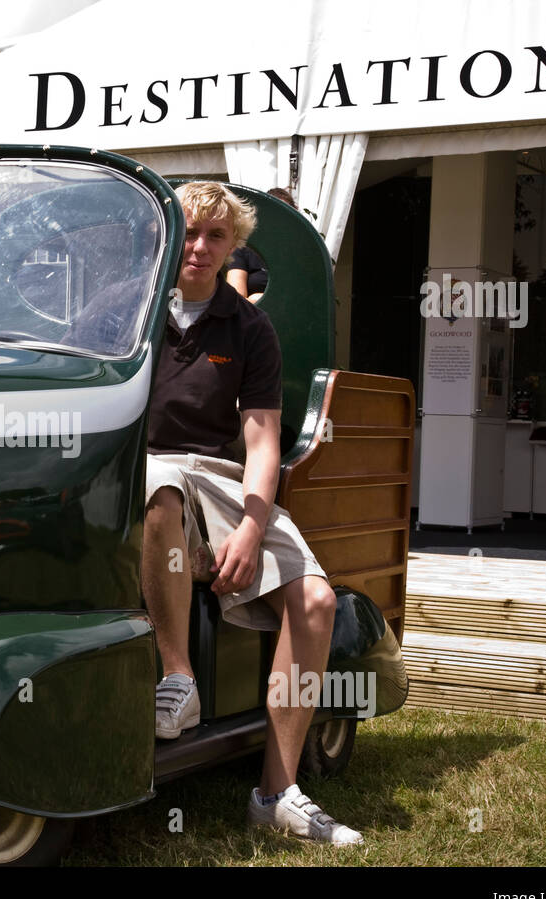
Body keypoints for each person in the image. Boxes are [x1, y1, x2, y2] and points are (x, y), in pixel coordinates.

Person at [143, 181, 359, 845]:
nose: (200, 246)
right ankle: (179, 678)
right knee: (158, 487)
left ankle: (276, 792)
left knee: (318, 602)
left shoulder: (250, 328)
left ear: (235, 246)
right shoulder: (128, 312)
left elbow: (264, 440)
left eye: (216, 235)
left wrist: (252, 526)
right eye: (188, 231)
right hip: (142, 471)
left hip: (222, 478)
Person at [226, 187, 296, 302]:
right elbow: (235, 300)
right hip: (251, 317)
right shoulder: (244, 250)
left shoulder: (298, 253)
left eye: (284, 215)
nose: (277, 221)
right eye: (273, 214)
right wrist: (260, 300)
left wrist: (258, 298)